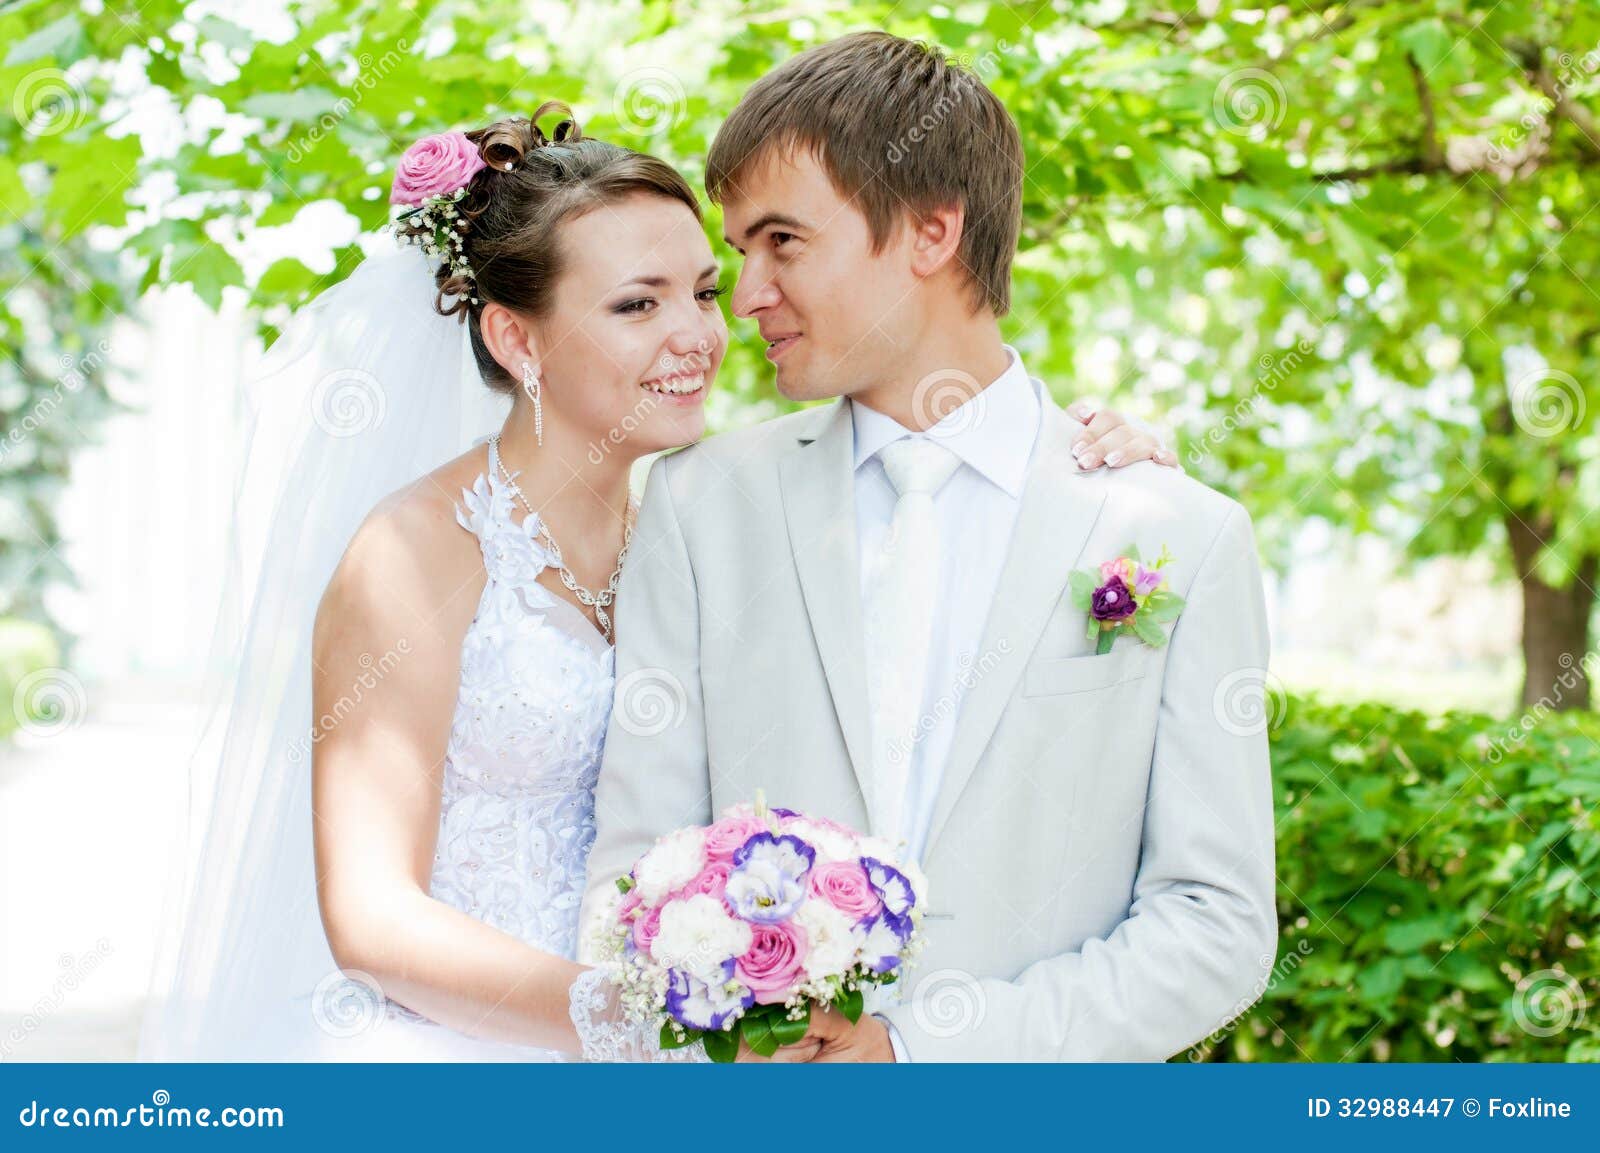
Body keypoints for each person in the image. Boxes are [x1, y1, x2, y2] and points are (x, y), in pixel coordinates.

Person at [140, 97, 1173, 1061]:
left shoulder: (714, 523)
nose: (700, 334)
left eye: (703, 291)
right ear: (515, 336)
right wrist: (637, 1016)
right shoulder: (411, 555)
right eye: (639, 303)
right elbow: (371, 918)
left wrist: (1086, 458)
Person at [579, 32, 1277, 1063]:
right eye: (741, 254)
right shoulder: (696, 506)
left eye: (782, 241)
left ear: (931, 228)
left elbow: (1215, 923)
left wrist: (922, 1053)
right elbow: (633, 876)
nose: (748, 292)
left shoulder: (1175, 533)